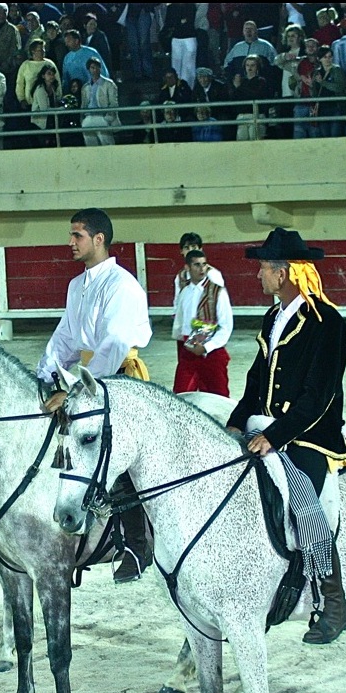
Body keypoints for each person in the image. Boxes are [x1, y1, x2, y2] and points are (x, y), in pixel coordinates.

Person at [225, 228, 346, 645]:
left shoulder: (326, 322)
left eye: (263, 269)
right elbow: (255, 379)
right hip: (266, 429)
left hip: (309, 436)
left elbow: (318, 395)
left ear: (283, 274)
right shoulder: (273, 317)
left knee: (303, 504)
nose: (258, 276)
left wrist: (275, 436)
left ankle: (333, 601)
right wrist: (235, 420)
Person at [37, 209, 152, 583]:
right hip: (85, 378)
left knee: (117, 455)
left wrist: (72, 388)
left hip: (116, 376)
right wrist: (44, 373)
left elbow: (114, 345)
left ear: (99, 238)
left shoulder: (122, 285)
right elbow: (66, 338)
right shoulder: (77, 286)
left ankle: (137, 544)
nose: (70, 242)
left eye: (77, 236)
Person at [172, 249, 232, 395]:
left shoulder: (218, 292)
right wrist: (184, 346)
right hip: (188, 352)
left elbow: (226, 326)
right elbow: (179, 324)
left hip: (212, 352)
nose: (202, 269)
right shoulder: (184, 292)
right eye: (197, 265)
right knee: (181, 395)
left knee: (219, 396)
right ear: (187, 268)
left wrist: (207, 347)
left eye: (204, 265)